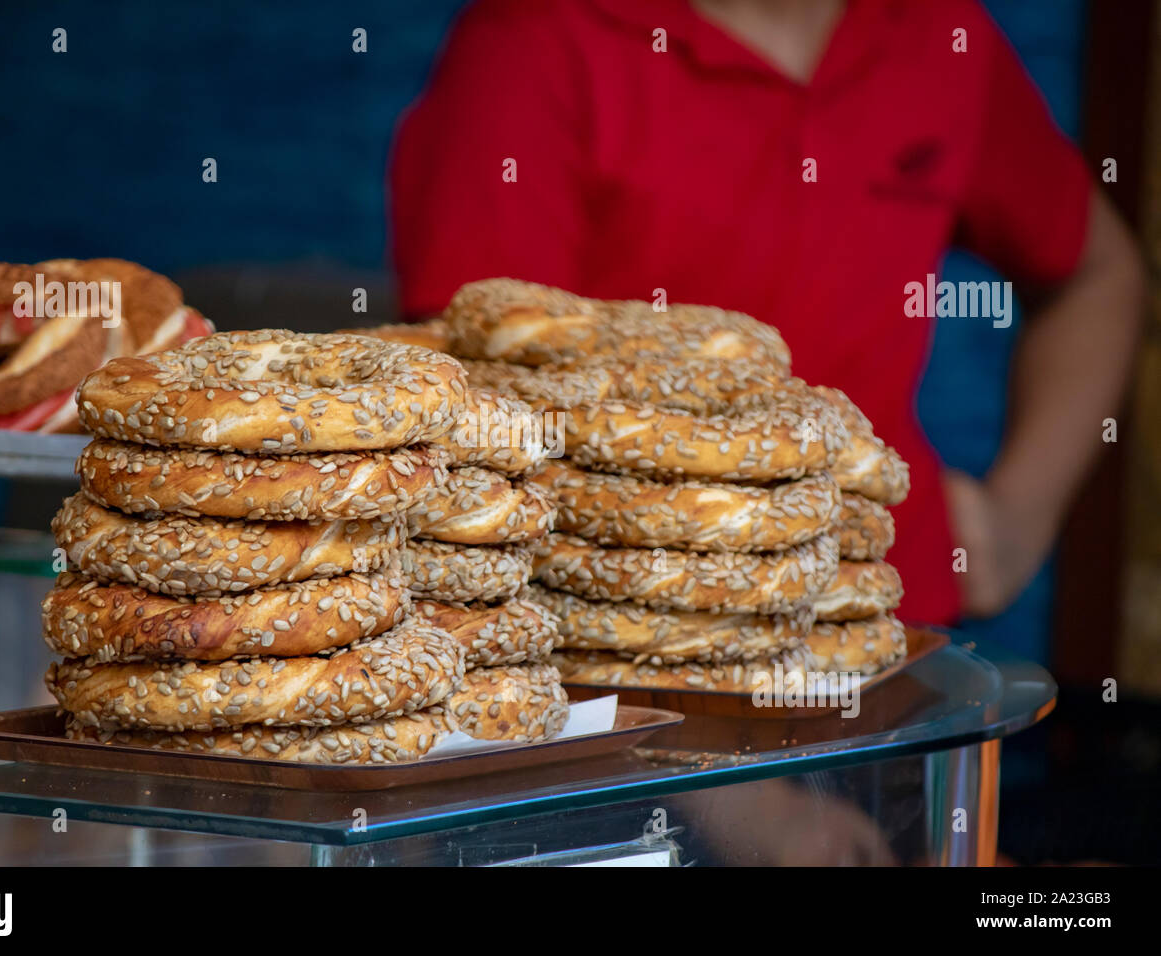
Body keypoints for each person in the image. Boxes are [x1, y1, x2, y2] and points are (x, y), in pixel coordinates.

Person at [388, 0, 1144, 627]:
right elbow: (477, 463)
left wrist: (1019, 517)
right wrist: (735, 801)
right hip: (634, 685)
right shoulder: (532, 43)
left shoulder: (939, 32)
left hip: (891, 632)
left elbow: (1100, 276)